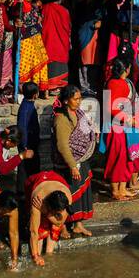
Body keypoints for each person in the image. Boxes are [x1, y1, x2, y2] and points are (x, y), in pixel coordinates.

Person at [50, 85, 95, 235]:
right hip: (67, 164)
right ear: (66, 100)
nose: (79, 102)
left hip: (80, 160)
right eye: (75, 99)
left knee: (81, 194)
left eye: (80, 98)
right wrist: (72, 166)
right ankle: (61, 226)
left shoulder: (78, 113)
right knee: (67, 195)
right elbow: (62, 145)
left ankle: (78, 225)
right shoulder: (62, 119)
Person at [102, 59, 139, 200]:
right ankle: (115, 190)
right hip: (116, 126)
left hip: (123, 125)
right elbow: (112, 108)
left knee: (126, 156)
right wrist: (129, 119)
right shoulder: (114, 84)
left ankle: (122, 188)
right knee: (117, 157)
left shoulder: (120, 83)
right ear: (126, 69)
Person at [26, 170, 72, 266]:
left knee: (56, 224)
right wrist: (35, 256)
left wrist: (46, 212)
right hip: (37, 182)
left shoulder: (67, 197)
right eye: (54, 212)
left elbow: (59, 222)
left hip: (56, 182)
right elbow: (33, 231)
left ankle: (49, 253)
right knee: (39, 227)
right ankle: (38, 254)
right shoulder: (38, 199)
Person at [40, 0, 72, 94]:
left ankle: (48, 85)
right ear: (60, 0)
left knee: (50, 59)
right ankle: (58, 87)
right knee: (59, 59)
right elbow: (68, 27)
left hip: (48, 38)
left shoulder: (45, 8)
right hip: (61, 40)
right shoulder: (64, 11)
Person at [16, 82, 42, 183]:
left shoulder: (28, 105)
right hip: (28, 144)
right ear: (35, 94)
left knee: (32, 167)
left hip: (31, 142)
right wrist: (25, 145)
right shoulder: (25, 108)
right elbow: (22, 127)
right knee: (25, 168)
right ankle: (23, 192)